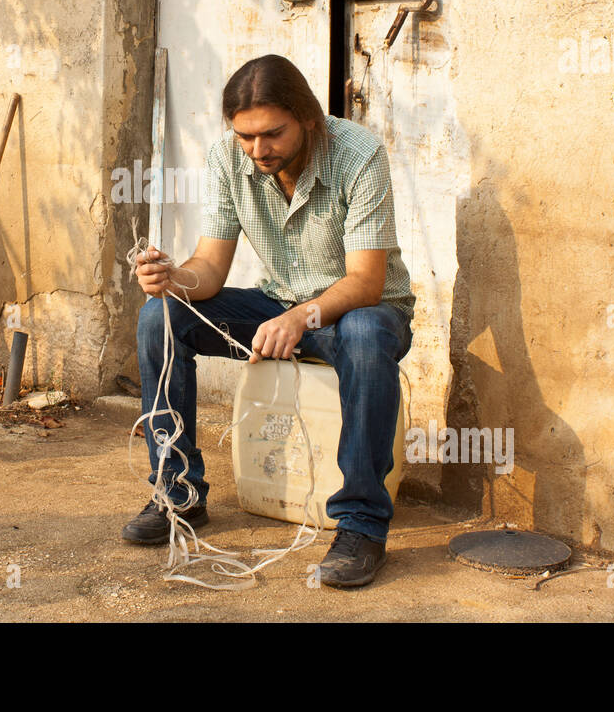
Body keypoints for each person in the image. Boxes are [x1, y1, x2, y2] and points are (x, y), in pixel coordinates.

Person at [124, 54, 416, 588]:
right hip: (278, 305)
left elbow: (366, 282)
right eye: (245, 137)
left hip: (359, 311)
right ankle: (179, 493)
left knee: (368, 334)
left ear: (307, 116)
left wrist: (302, 318)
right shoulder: (227, 160)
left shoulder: (359, 153)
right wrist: (170, 279)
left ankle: (361, 527)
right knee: (159, 317)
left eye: (272, 134)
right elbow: (209, 269)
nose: (258, 150)